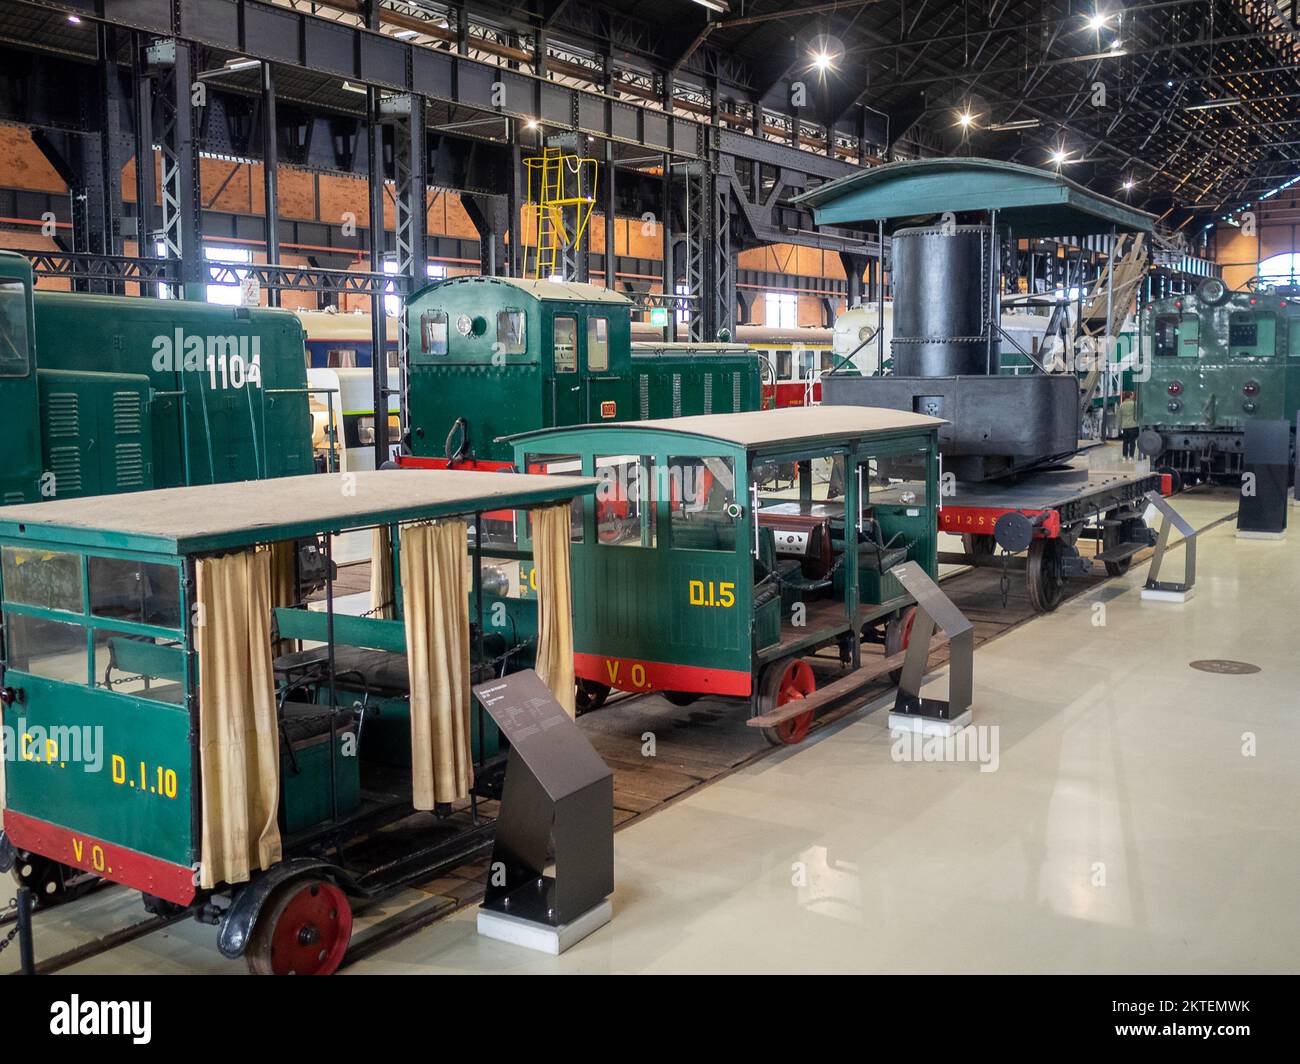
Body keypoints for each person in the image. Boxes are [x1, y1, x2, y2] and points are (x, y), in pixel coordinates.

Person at [1118, 391, 1139, 459]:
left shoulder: (1122, 405)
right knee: (1132, 442)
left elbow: (1119, 416)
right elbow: (1137, 415)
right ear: (1130, 396)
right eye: (1132, 395)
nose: (1133, 396)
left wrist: (1120, 426)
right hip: (1133, 426)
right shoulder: (1134, 404)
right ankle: (1131, 456)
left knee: (1125, 442)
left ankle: (1124, 456)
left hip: (1125, 426)